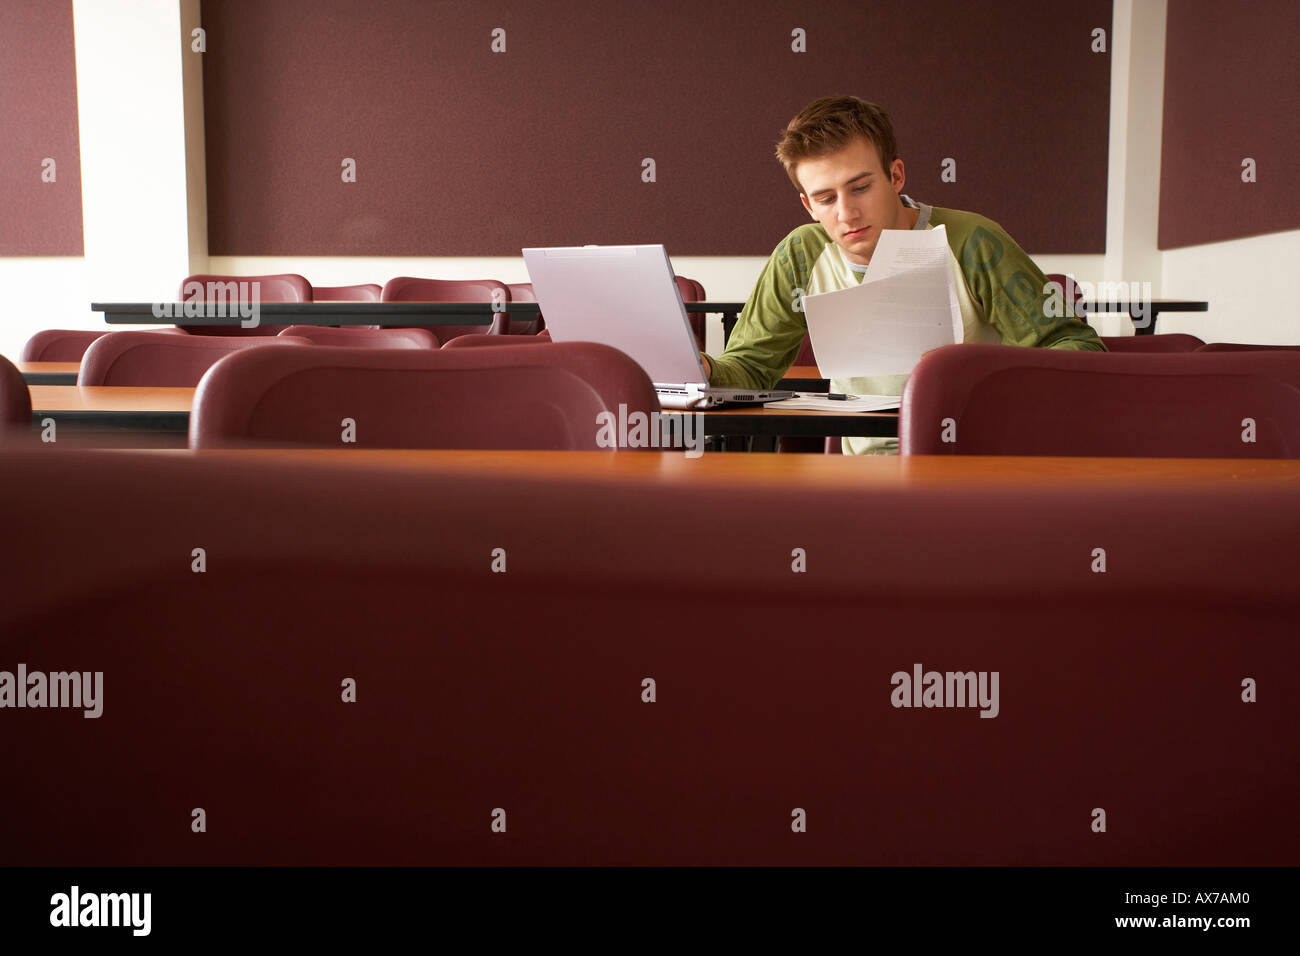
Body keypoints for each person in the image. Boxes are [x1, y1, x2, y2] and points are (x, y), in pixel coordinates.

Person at [700, 95, 1105, 454]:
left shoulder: (972, 241)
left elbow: (1081, 351)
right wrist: (704, 371)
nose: (846, 214)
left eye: (860, 188)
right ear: (808, 205)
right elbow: (749, 370)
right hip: (865, 473)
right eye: (826, 198)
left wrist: (982, 369)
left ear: (896, 176)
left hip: (975, 463)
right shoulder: (800, 254)